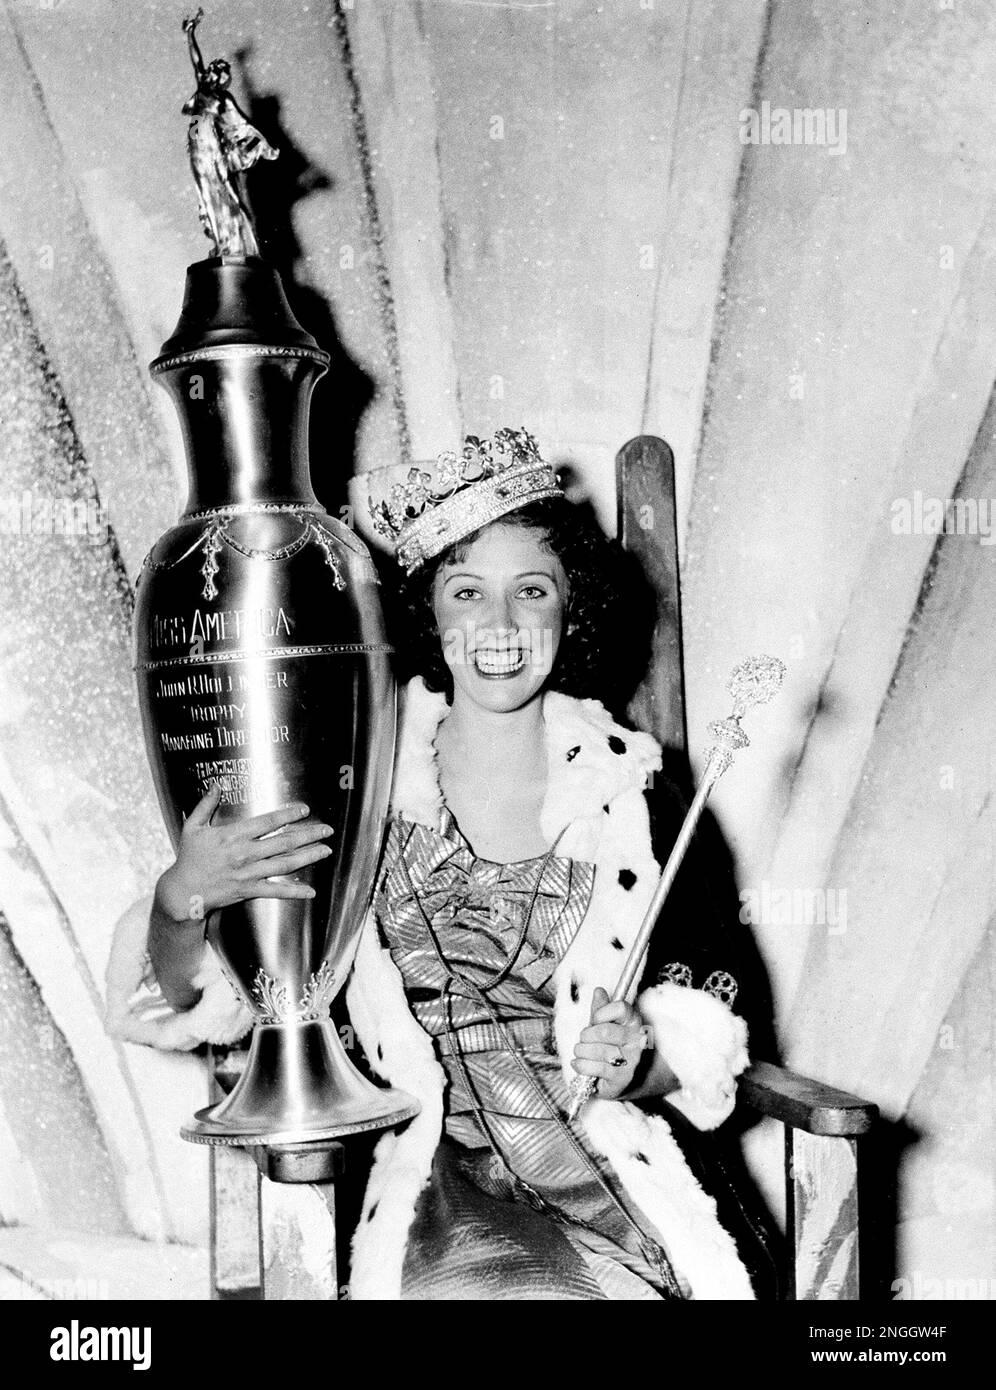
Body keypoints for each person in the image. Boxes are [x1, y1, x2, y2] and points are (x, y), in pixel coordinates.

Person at [109, 427, 769, 1300]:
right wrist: (186, 896)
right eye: (467, 593)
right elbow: (213, 1003)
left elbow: (705, 1008)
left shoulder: (638, 801)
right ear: (427, 614)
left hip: (614, 1176)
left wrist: (639, 1059)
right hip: (423, 1183)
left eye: (531, 591)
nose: (499, 625)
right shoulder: (350, 791)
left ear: (571, 612)